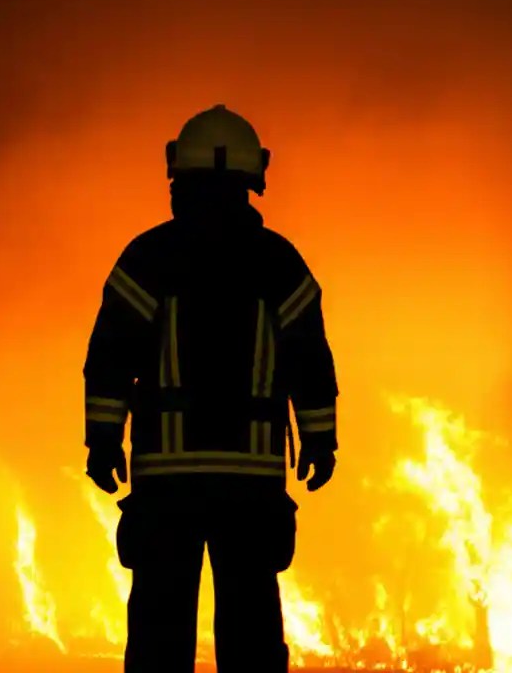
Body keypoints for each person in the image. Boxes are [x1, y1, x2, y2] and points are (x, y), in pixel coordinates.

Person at [82, 104, 339, 672]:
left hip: (166, 482)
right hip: (249, 486)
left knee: (159, 639)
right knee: (250, 638)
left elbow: (108, 358)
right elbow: (310, 362)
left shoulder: (148, 259)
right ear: (253, 179)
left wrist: (102, 442)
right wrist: (320, 442)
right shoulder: (279, 263)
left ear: (179, 177)